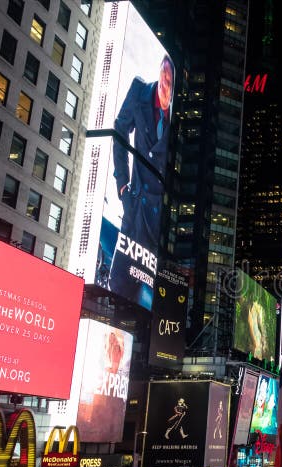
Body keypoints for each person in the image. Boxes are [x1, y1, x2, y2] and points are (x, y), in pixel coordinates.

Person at [109, 54, 175, 306]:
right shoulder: (139, 91)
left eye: (170, 81)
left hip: (159, 228)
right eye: (163, 75)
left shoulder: (179, 120)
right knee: (117, 289)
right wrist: (122, 183)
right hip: (134, 208)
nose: (164, 83)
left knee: (149, 307)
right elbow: (119, 130)